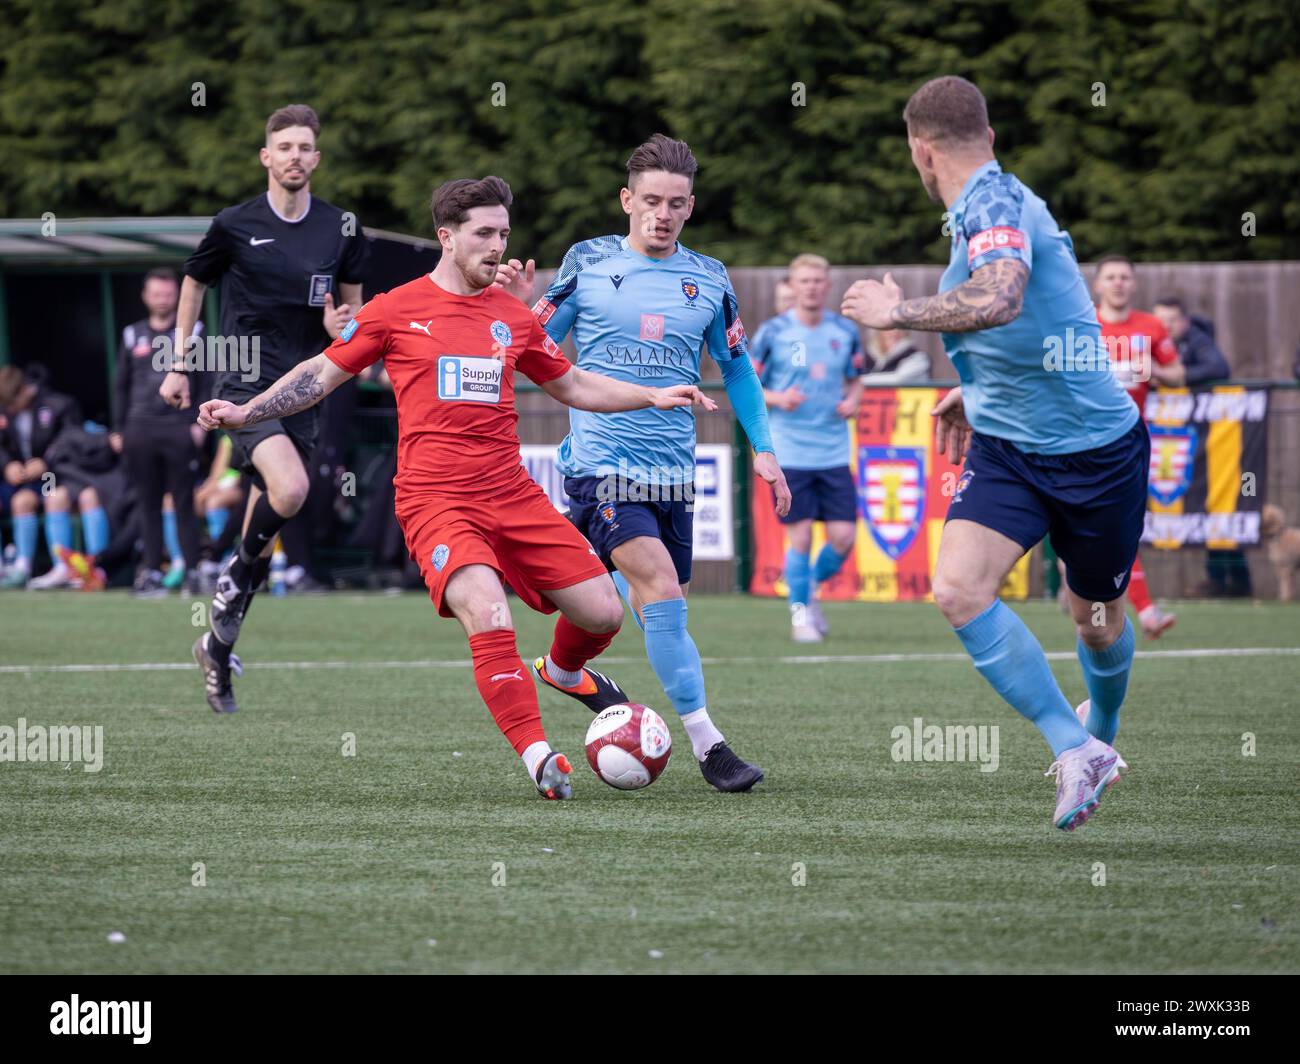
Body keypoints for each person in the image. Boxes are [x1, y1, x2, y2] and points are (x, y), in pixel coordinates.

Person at [198, 175, 714, 800]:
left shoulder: (511, 315)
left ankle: (563, 670)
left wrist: (650, 394)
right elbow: (318, 374)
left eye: (503, 233)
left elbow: (573, 386)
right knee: (488, 611)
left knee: (604, 611)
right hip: (436, 501)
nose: (498, 246)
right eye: (484, 234)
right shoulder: (393, 309)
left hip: (512, 494)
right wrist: (247, 411)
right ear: (447, 238)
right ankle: (539, 756)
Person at [841, 75, 1140, 832]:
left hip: (1096, 453)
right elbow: (1035, 319)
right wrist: (977, 392)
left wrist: (894, 312)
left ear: (920, 151)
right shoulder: (987, 206)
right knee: (958, 589)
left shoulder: (993, 202)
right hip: (1009, 450)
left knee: (1095, 617)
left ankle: (1101, 728)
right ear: (990, 136)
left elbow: (1001, 296)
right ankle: (1075, 748)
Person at [513, 133, 790, 793]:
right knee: (660, 590)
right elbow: (530, 347)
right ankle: (710, 745)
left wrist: (767, 452)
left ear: (690, 207)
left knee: (648, 609)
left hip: (675, 476)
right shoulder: (586, 262)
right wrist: (515, 306)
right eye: (651, 201)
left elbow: (740, 372)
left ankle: (559, 669)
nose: (662, 214)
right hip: (601, 466)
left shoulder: (712, 280)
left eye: (676, 203)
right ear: (626, 200)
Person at [158, 104, 369, 712]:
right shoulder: (233, 223)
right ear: (266, 157)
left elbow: (350, 313)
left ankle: (217, 647)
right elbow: (195, 282)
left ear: (317, 158)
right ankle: (231, 580)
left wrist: (340, 324)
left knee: (272, 509)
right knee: (293, 490)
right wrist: (179, 363)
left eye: (306, 146)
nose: (296, 156)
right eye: (285, 146)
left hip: (305, 384)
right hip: (243, 376)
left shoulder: (342, 227)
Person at [750, 252, 864, 642]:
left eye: (819, 280)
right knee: (799, 537)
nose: (812, 287)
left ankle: (806, 590)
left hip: (833, 452)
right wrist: (778, 398)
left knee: (844, 538)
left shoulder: (844, 331)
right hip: (791, 454)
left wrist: (853, 400)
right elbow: (748, 388)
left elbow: (856, 379)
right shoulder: (772, 332)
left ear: (827, 286)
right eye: (805, 281)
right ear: (793, 287)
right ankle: (800, 614)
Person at [1093, 255, 1181, 638]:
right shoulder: (1081, 326)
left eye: (1125, 277)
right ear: (1097, 284)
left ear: (1134, 284)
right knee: (1096, 526)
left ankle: (1132, 606)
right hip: (1081, 441)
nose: (1118, 283)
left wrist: (1149, 368)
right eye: (1110, 277)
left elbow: (1178, 373)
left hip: (1129, 443)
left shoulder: (1150, 326)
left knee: (1121, 526)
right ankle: (1137, 608)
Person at [114, 267, 208, 596]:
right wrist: (118, 429)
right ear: (145, 296)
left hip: (179, 427)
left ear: (178, 298)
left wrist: (199, 425)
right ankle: (151, 572)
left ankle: (193, 570)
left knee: (184, 502)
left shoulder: (193, 332)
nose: (162, 300)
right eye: (156, 294)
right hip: (139, 429)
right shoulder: (131, 335)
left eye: (168, 294)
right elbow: (120, 386)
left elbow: (207, 379)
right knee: (147, 502)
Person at [0, 365, 111, 589]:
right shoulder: (6, 412)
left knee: (54, 497)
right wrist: (7, 466)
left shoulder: (57, 405)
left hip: (53, 474)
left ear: (24, 390)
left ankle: (73, 567)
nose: (10, 409)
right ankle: (22, 566)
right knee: (20, 501)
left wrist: (45, 462)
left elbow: (69, 439)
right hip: (20, 479)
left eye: (13, 403)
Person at [1152, 297, 1230, 385]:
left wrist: (1172, 376)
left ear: (1186, 321)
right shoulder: (1146, 340)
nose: (1166, 326)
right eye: (1160, 320)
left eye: (1173, 320)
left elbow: (1218, 368)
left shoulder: (1197, 339)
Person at [864, 328, 931, 384]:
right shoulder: (869, 358)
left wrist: (859, 381)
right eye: (888, 328)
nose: (894, 332)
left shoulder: (917, 358)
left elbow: (898, 380)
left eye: (898, 328)